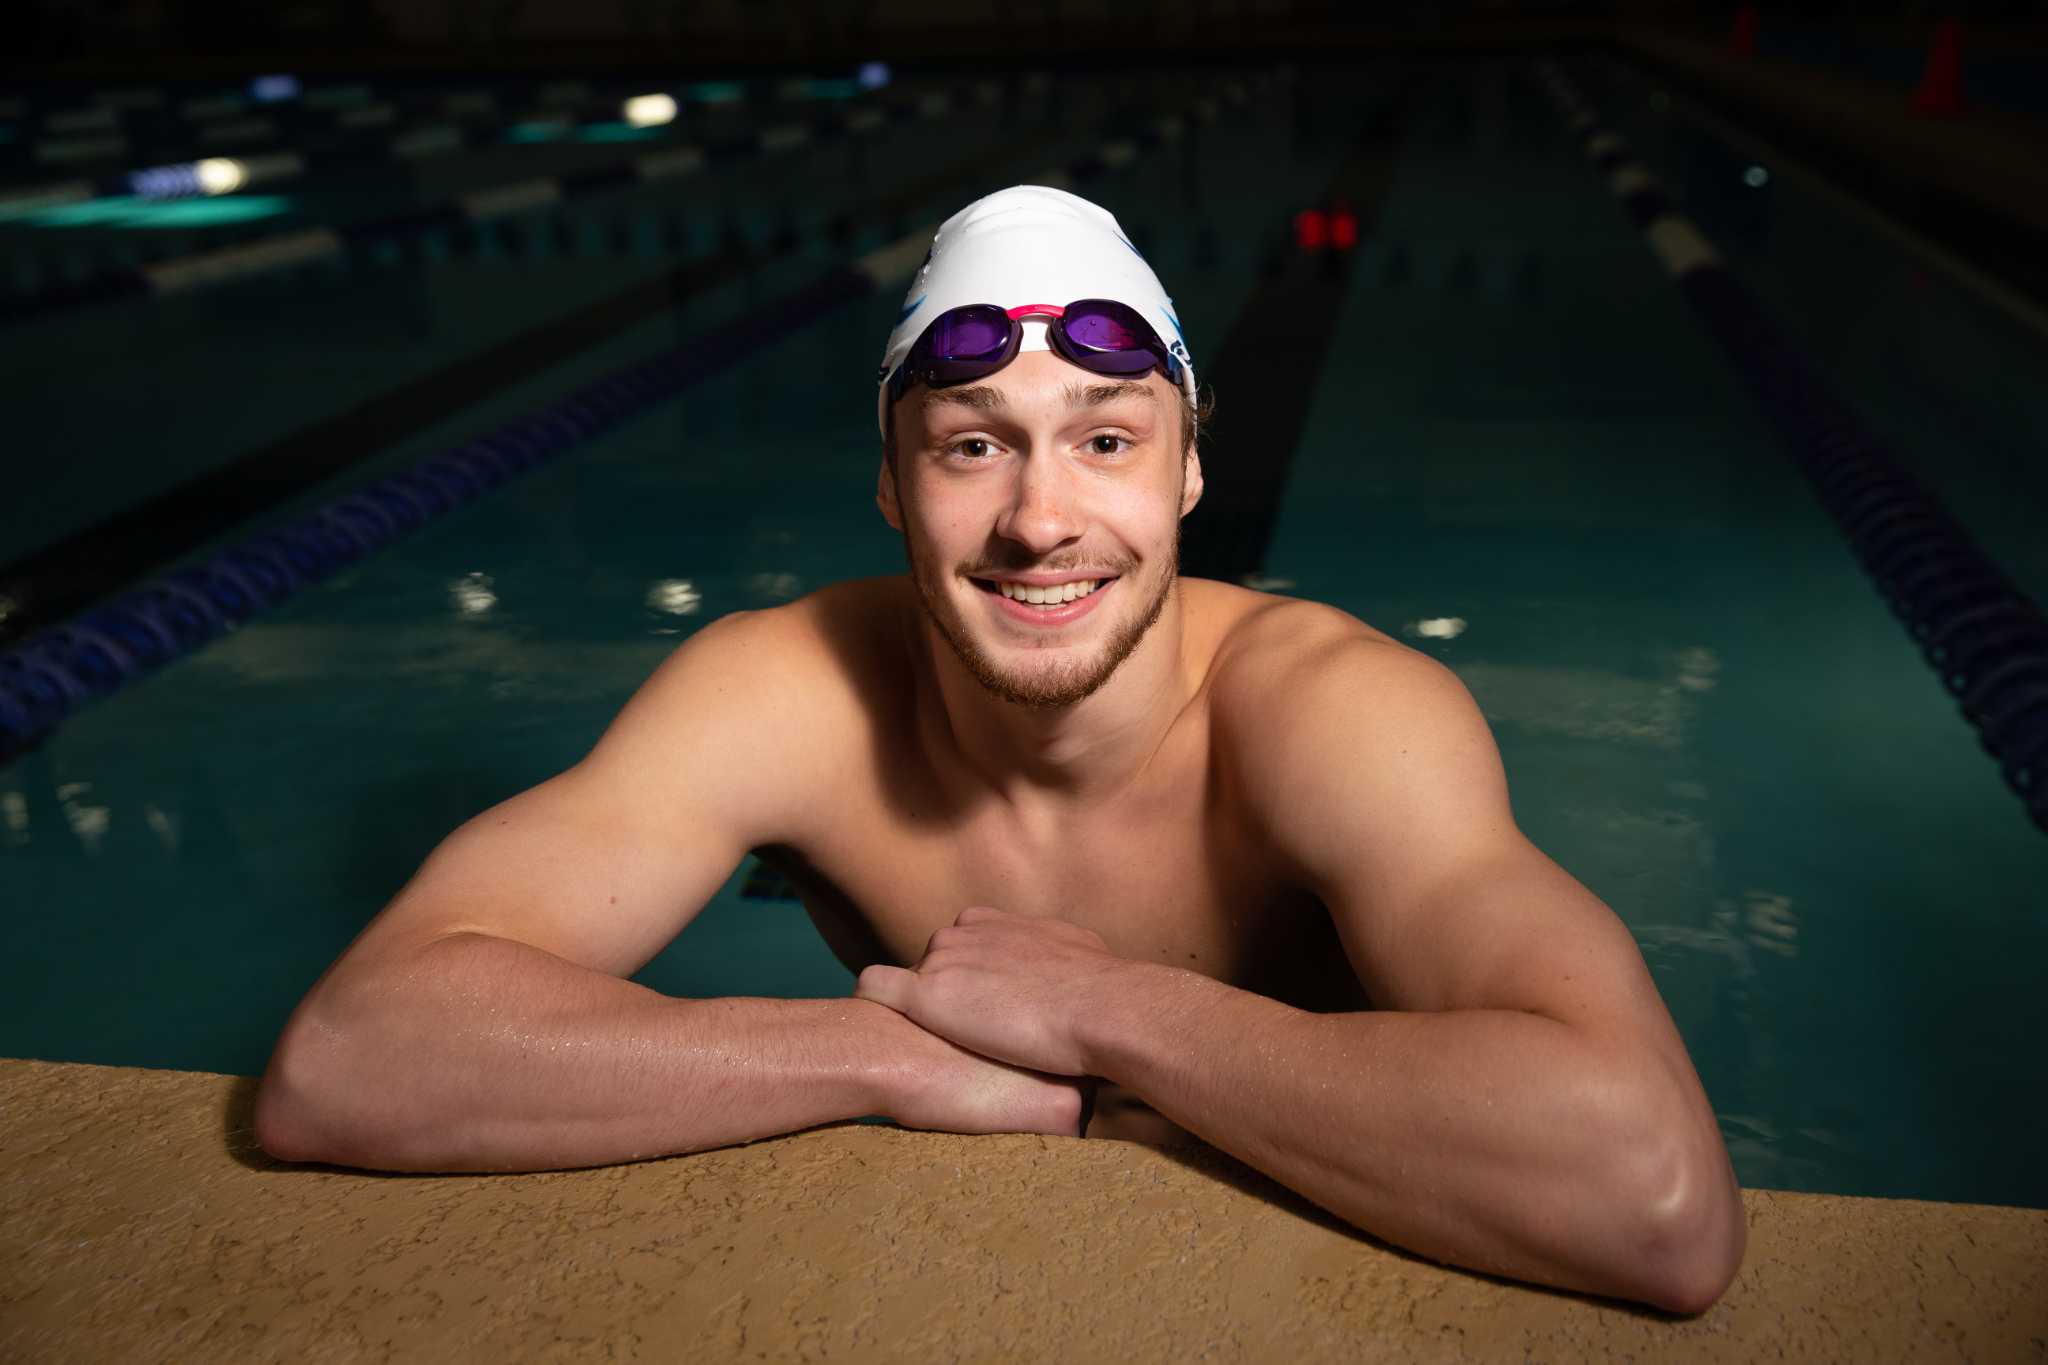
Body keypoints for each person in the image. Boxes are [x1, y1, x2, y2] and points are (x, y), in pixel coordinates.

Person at [255, 185, 1745, 1314]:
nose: (1043, 519)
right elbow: (349, 1058)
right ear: (896, 486)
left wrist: (1114, 1015)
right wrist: (876, 1053)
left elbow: (1657, 1195)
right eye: (974, 443)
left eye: (1107, 439)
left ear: (1194, 468)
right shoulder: (786, 690)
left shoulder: (1331, 709)